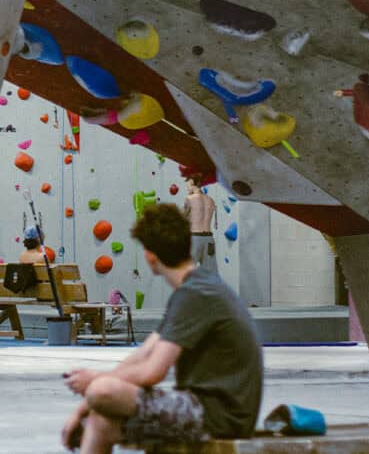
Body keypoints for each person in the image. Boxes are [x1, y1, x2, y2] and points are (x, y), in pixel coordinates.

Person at [60, 203, 262, 450]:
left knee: (103, 390)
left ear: (149, 256)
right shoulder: (196, 287)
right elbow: (141, 355)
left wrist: (95, 379)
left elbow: (152, 372)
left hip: (218, 415)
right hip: (214, 410)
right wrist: (81, 410)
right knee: (100, 418)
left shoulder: (195, 293)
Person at [183, 176, 218, 272]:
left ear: (191, 182)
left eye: (188, 184)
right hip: (209, 239)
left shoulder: (189, 199)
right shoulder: (211, 200)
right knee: (210, 273)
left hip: (195, 238)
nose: (187, 188)